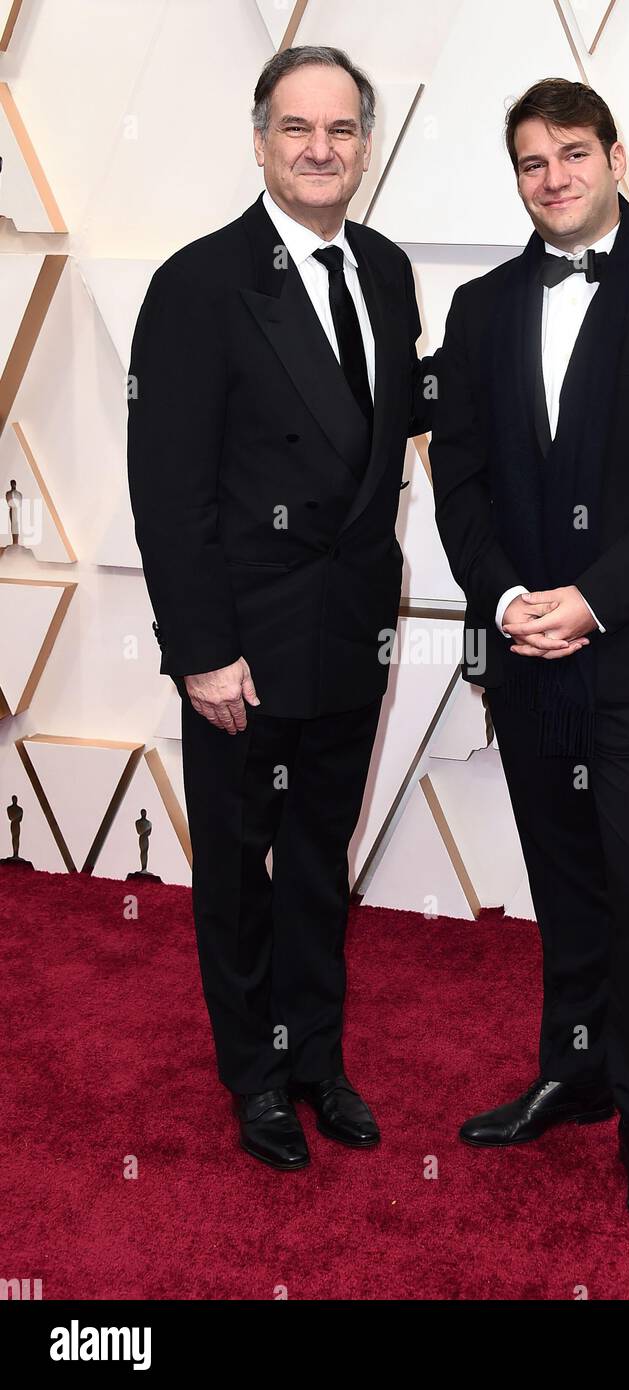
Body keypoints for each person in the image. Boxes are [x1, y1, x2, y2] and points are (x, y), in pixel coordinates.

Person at [429, 79, 629, 1232]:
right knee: (563, 880)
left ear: (615, 155)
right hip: (526, 652)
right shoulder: (477, 308)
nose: (552, 176)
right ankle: (571, 1070)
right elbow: (454, 475)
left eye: (571, 153)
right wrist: (512, 595)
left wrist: (593, 601)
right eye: (529, 161)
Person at [128, 46, 436, 1172]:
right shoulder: (199, 282)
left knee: (318, 856)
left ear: (365, 144)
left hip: (352, 624)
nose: (320, 148)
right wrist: (201, 652)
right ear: (259, 140)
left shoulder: (389, 270)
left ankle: (316, 1058)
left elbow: (394, 416)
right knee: (238, 866)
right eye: (298, 128)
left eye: (342, 129)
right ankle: (253, 1075)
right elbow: (167, 490)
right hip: (246, 645)